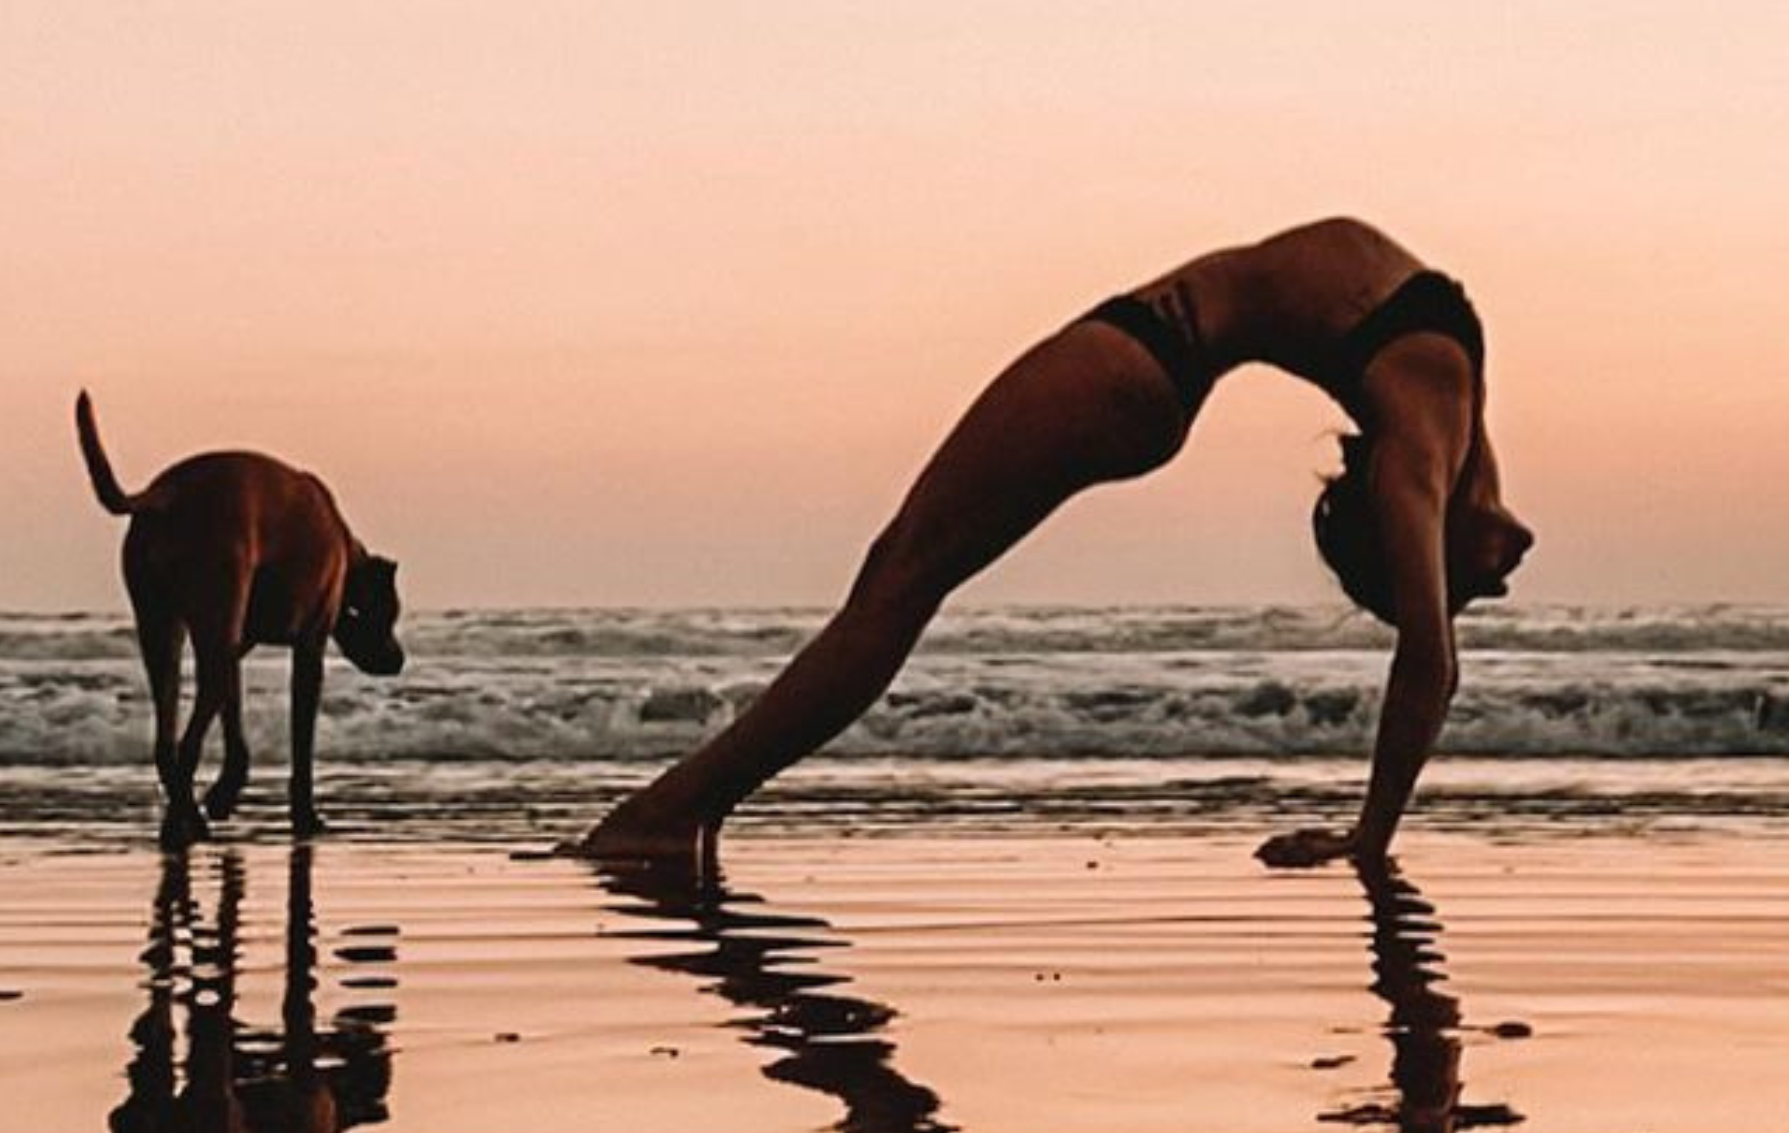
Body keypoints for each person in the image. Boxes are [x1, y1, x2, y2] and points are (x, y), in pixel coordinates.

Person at [571, 216, 1534, 867]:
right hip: (1152, 361)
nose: (1495, 578)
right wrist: (1475, 547)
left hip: (1147, 356)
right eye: (1464, 587)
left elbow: (1429, 660)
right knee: (899, 577)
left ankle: (673, 813)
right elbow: (1458, 595)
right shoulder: (1453, 422)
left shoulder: (1418, 448)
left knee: (897, 579)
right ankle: (686, 810)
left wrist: (1369, 839)